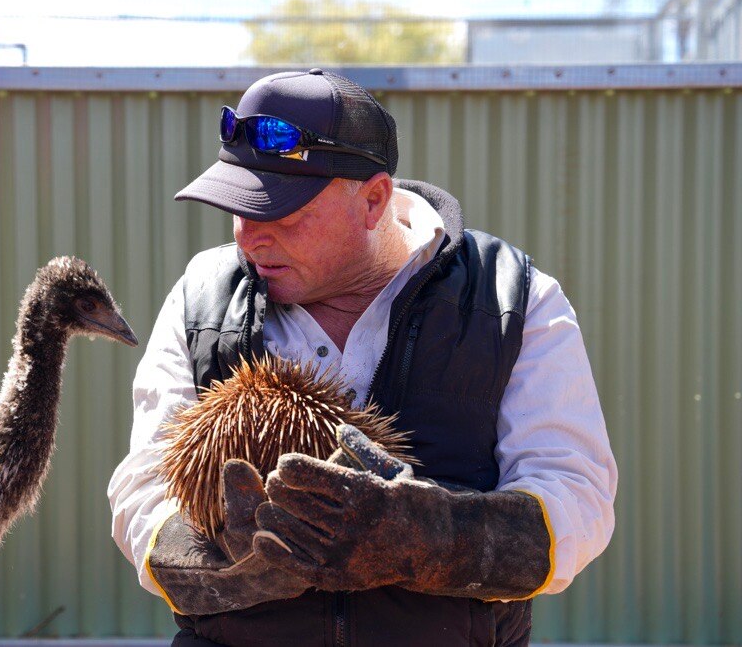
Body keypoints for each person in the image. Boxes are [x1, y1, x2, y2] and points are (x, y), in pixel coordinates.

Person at [109, 69, 617, 645]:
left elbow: (577, 499)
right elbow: (142, 487)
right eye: (238, 209)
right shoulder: (202, 296)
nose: (250, 239)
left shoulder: (511, 299)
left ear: (374, 199)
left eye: (281, 215)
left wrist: (428, 539)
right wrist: (215, 562)